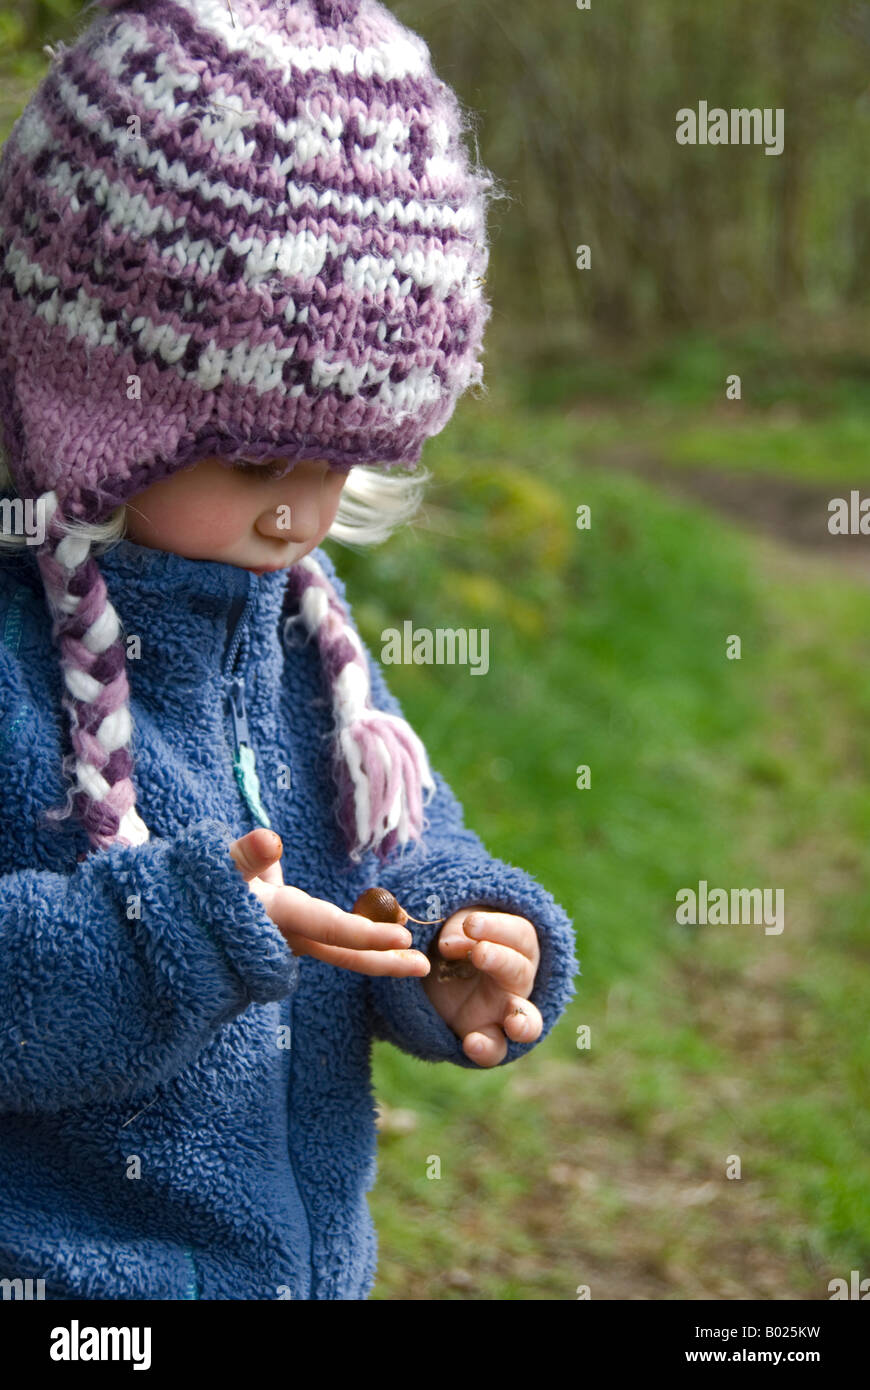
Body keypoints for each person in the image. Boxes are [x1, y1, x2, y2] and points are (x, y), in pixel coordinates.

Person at [0, 0, 579, 1300]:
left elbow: (408, 844)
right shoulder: (15, 661)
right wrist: (176, 937)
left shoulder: (303, 640)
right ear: (83, 391)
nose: (298, 510)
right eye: (258, 456)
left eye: (347, 461)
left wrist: (459, 941)